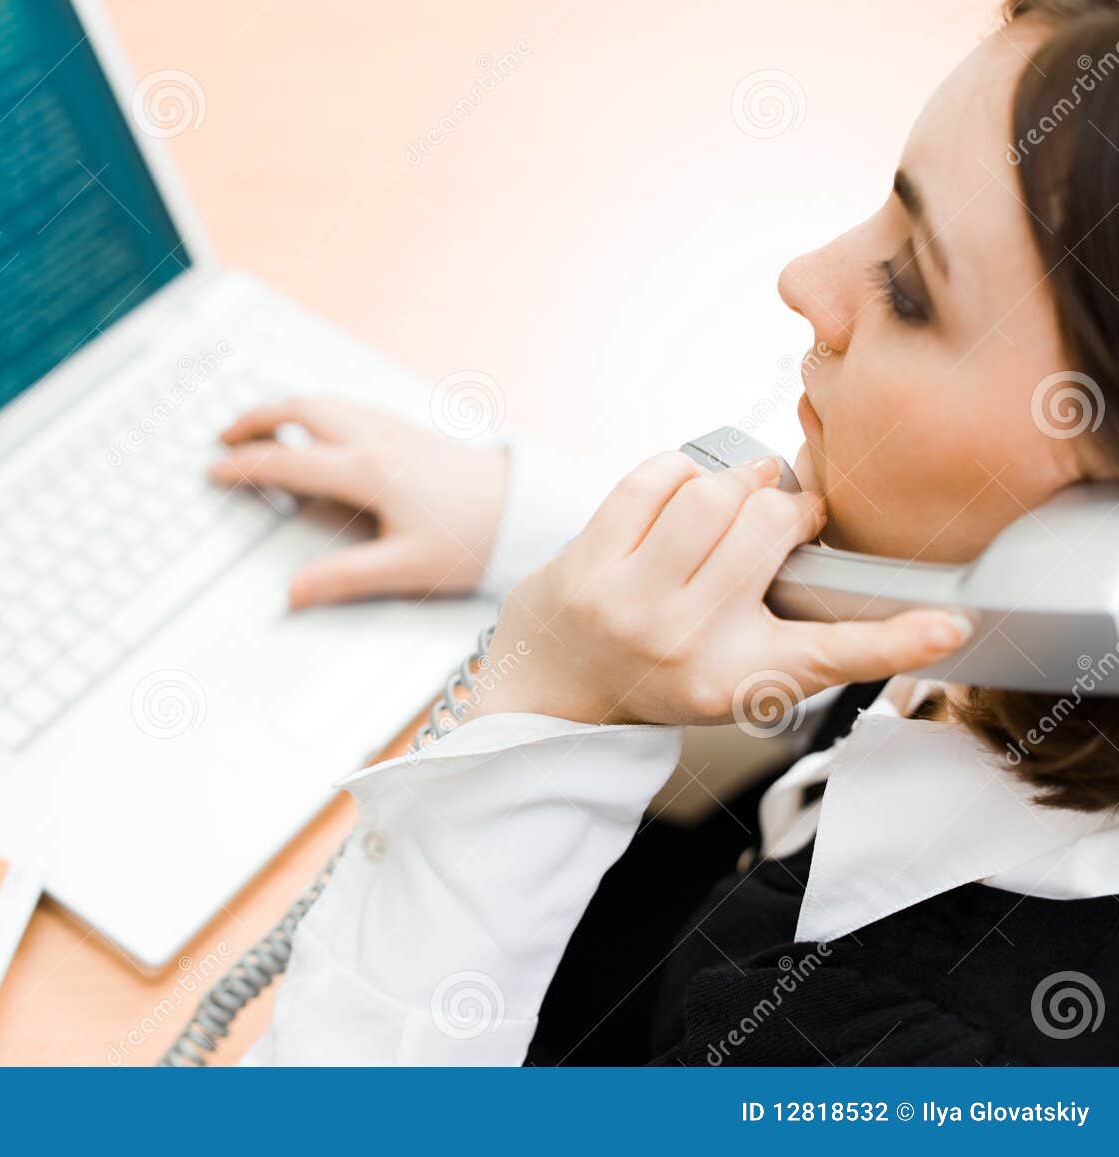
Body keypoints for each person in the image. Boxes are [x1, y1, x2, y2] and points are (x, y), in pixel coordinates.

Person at [207, 0, 1119, 1065]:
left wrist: (543, 708)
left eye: (910, 286)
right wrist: (529, 524)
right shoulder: (1022, 639)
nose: (807, 281)